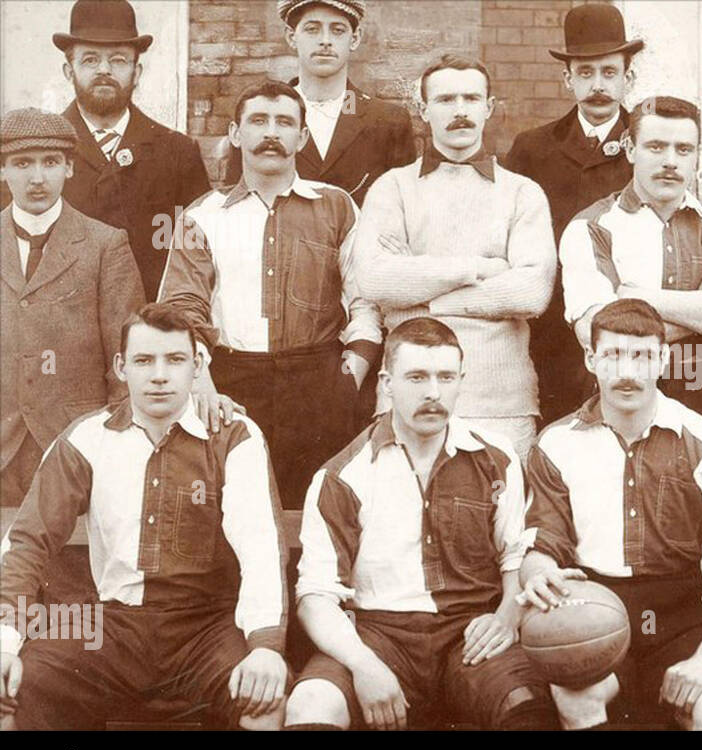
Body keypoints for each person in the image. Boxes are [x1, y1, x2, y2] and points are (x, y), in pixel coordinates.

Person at [0, 303, 287, 730]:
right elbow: (28, 541)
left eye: (175, 359)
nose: (159, 375)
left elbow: (260, 546)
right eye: (144, 360)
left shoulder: (233, 437)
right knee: (12, 689)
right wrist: (4, 643)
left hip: (206, 628)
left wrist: (265, 645)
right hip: (112, 625)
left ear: (197, 366)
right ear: (121, 367)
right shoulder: (88, 439)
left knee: (262, 700)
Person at [519, 298, 702, 730]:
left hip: (685, 611)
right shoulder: (557, 443)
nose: (627, 371)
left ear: (664, 360)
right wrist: (538, 573)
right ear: (590, 359)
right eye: (613, 354)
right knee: (577, 699)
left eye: (642, 356)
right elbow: (542, 542)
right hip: (595, 603)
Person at [283, 318, 557, 730]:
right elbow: (315, 596)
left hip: (471, 632)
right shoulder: (343, 475)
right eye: (416, 377)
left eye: (446, 377)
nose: (433, 392)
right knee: (311, 705)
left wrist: (505, 618)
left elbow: (515, 556)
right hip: (378, 634)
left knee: (527, 705)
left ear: (461, 380)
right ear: (387, 383)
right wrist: (364, 666)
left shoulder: (496, 458)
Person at [159, 80, 382, 508]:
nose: (271, 133)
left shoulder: (336, 206)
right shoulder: (202, 216)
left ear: (302, 136)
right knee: (236, 514)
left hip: (319, 383)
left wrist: (350, 374)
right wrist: (202, 382)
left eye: (284, 123)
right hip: (231, 384)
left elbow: (366, 299)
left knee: (318, 514)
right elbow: (181, 309)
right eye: (258, 121)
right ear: (235, 133)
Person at [351, 54, 555, 457]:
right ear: (423, 110)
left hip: (501, 403)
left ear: (488, 107)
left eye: (471, 98)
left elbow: (532, 293)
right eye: (445, 100)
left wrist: (424, 297)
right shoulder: (392, 188)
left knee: (504, 497)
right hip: (407, 397)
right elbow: (374, 279)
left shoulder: (522, 192)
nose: (460, 111)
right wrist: (481, 268)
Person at [560, 96, 702, 424]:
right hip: (619, 395)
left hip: (699, 394)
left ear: (698, 156)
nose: (670, 161)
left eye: (683, 149)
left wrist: (634, 298)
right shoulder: (592, 227)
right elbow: (595, 332)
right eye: (655, 147)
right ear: (630, 150)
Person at [502, 2, 642, 423]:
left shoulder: (649, 147)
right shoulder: (533, 148)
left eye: (609, 72)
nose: (598, 85)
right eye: (585, 73)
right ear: (567, 79)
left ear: (628, 78)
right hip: (551, 330)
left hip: (628, 324)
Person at [0, 107, 144, 505]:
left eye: (50, 162)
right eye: (22, 163)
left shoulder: (105, 245)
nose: (37, 177)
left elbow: (126, 356)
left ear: (69, 168)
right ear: (3, 170)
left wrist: (117, 447)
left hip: (75, 444)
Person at [49, 0, 210, 300]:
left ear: (137, 72)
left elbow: (193, 254)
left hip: (148, 319)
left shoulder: (177, 152)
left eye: (119, 60)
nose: (104, 70)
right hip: (62, 319)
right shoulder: (42, 150)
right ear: (69, 71)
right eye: (90, 60)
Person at [224, 0, 417, 207]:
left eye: (338, 30)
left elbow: (405, 206)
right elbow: (236, 200)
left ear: (355, 39)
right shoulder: (258, 114)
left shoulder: (387, 120)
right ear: (291, 36)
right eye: (312, 29)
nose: (325, 41)